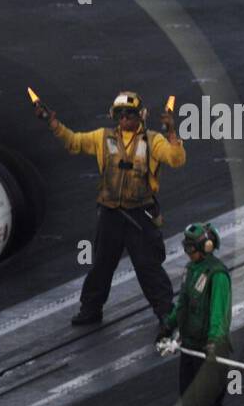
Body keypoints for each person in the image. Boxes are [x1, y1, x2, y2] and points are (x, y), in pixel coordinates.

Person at [35, 91, 186, 325]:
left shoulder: (153, 140)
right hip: (110, 214)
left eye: (129, 113)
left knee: (148, 268)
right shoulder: (102, 138)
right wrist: (53, 123)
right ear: (114, 116)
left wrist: (172, 132)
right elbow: (74, 142)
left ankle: (167, 313)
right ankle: (91, 309)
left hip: (140, 215)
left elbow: (176, 159)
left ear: (140, 115)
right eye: (120, 114)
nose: (124, 118)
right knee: (102, 265)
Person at [156, 222, 237, 406]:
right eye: (187, 247)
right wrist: (168, 324)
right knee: (190, 399)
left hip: (210, 349)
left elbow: (218, 313)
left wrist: (214, 341)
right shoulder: (191, 270)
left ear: (207, 246)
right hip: (190, 347)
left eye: (192, 247)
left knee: (209, 402)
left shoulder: (217, 274)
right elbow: (182, 304)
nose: (188, 252)